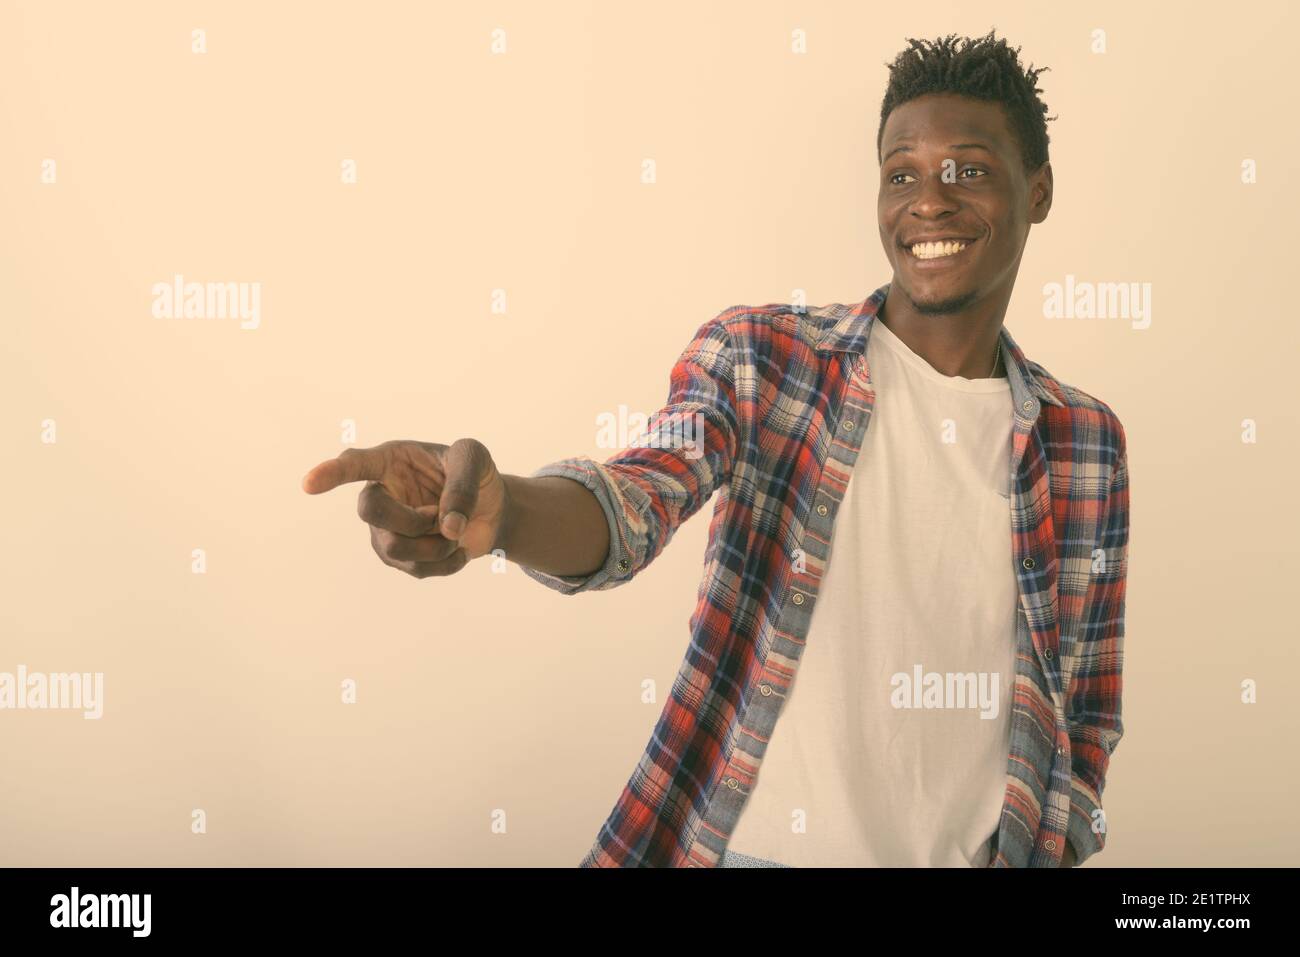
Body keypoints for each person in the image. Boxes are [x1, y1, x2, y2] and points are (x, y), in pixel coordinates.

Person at [302, 30, 1129, 869]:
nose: (929, 202)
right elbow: (636, 497)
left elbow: (1086, 717)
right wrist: (506, 511)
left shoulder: (1086, 442)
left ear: (1038, 190)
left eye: (968, 171)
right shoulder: (762, 360)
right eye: (901, 174)